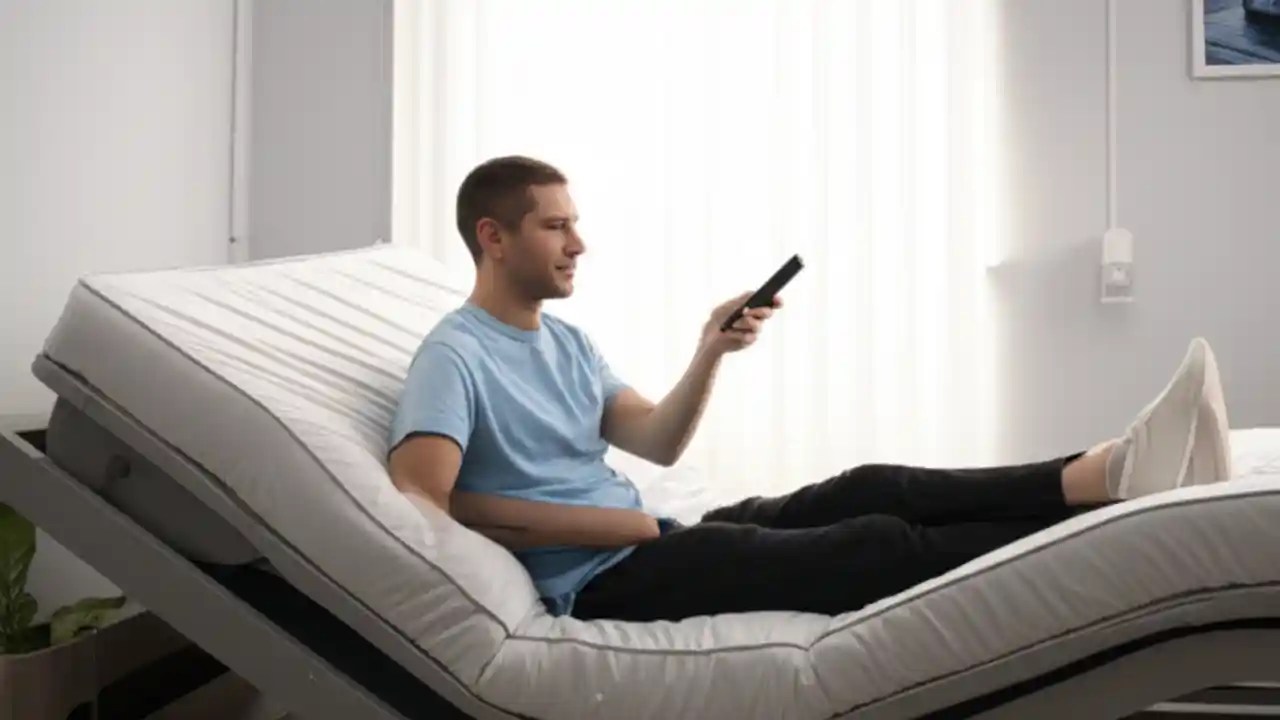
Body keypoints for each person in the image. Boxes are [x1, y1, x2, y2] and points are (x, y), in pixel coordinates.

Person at [387, 155, 1233, 622]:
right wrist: (612, 524)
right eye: (556, 224)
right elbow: (428, 501)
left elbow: (654, 441)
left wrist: (709, 353)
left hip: (658, 534)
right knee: (872, 542)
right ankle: (1103, 537)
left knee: (872, 487)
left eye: (576, 221)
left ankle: (1106, 474)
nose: (580, 242)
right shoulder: (453, 357)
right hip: (606, 574)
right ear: (494, 237)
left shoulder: (565, 341)